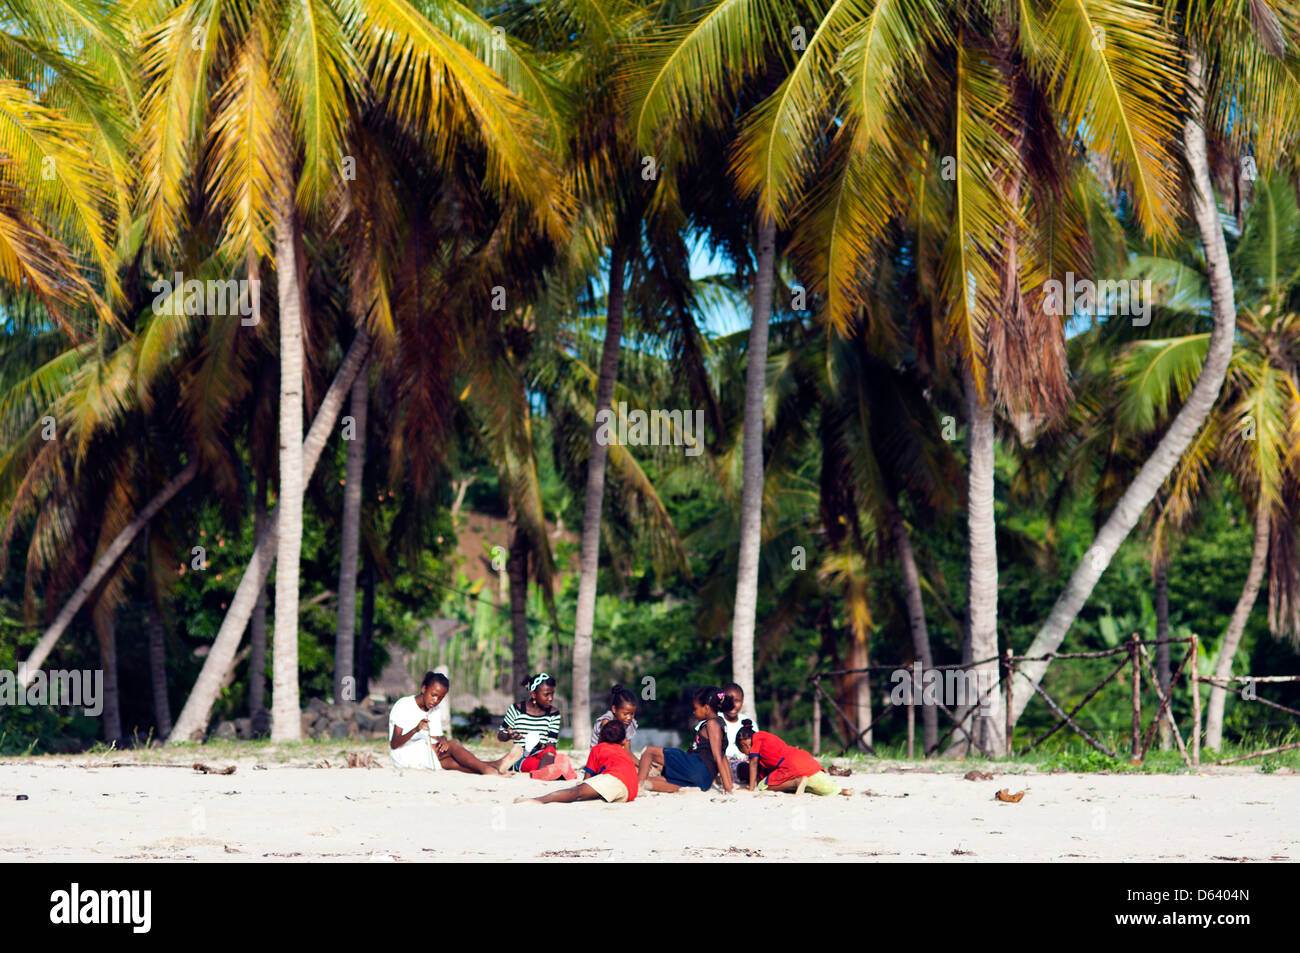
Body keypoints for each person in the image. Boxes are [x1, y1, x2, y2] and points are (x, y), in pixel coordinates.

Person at [390, 672, 520, 775]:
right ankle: (491, 767)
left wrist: (444, 740)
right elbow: (394, 744)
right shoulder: (404, 705)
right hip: (404, 755)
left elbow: (437, 736)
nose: (436, 700)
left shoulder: (434, 708)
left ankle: (492, 769)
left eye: (440, 698)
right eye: (433, 695)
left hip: (424, 751)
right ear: (424, 689)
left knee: (453, 763)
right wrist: (415, 730)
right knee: (455, 744)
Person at [515, 719, 638, 804]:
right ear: (623, 741)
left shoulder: (598, 749)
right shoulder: (623, 753)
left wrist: (584, 787)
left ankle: (539, 800)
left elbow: (587, 778)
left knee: (576, 792)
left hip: (615, 779)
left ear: (600, 737)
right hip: (631, 791)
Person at [636, 687, 734, 793]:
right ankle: (647, 784)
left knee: (649, 751)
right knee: (660, 780)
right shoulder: (721, 723)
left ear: (706, 708)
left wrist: (727, 788)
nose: (693, 712)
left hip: (697, 767)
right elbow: (723, 757)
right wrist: (729, 784)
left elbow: (718, 757)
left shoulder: (711, 724)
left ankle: (638, 785)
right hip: (704, 780)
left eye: (695, 708)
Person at [736, 722, 851, 796]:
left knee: (763, 785)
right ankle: (842, 791)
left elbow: (753, 764)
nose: (748, 754)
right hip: (803, 757)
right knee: (822, 786)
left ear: (745, 745)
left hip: (791, 765)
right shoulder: (765, 737)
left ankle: (797, 782)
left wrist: (751, 788)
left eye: (744, 751)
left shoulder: (756, 739)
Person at [498, 672, 576, 779]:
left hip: (543, 754)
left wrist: (539, 744)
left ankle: (546, 773)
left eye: (552, 693)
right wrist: (510, 735)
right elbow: (501, 735)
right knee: (549, 763)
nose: (550, 698)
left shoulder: (553, 713)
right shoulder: (516, 709)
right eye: (546, 694)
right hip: (521, 755)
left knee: (553, 754)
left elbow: (551, 745)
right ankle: (553, 772)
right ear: (533, 694)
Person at [719, 682, 754, 784]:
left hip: (749, 760)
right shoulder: (714, 721)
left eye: (737, 701)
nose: (733, 705)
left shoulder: (748, 722)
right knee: (744, 768)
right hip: (726, 764)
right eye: (729, 701)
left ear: (742, 702)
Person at [589, 684, 638, 751]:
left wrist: (638, 762)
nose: (629, 717)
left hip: (615, 755)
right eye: (625, 714)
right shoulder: (606, 722)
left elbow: (627, 752)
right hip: (600, 755)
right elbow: (603, 750)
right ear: (614, 709)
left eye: (632, 714)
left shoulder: (629, 724)